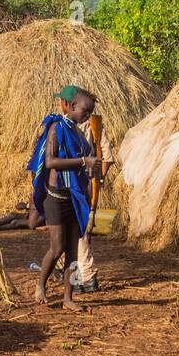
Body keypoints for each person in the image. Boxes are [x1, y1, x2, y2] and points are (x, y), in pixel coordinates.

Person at [28, 89, 98, 311]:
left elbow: (85, 159)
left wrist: (90, 165)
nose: (87, 116)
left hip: (74, 197)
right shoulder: (56, 128)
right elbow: (50, 162)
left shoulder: (78, 134)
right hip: (56, 197)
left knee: (73, 251)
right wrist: (82, 162)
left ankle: (68, 298)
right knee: (57, 248)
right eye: (85, 111)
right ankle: (41, 284)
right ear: (73, 105)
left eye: (90, 113)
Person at [55, 84, 114, 293]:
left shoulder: (83, 127)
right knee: (72, 230)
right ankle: (70, 270)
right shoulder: (74, 125)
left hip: (79, 185)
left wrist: (95, 181)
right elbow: (106, 158)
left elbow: (105, 158)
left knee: (78, 231)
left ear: (69, 104)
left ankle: (86, 275)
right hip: (77, 184)